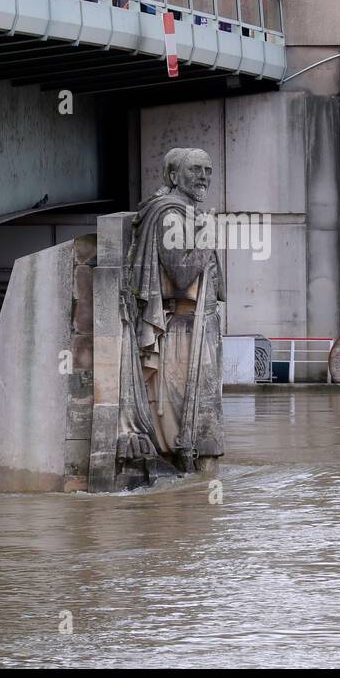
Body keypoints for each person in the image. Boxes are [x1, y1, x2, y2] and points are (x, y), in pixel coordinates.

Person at [118, 148, 225, 476]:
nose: (204, 176)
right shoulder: (171, 215)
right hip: (181, 329)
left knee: (201, 413)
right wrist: (207, 237)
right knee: (194, 416)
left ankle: (193, 485)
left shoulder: (189, 214)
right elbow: (181, 276)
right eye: (195, 170)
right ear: (174, 176)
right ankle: (194, 483)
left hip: (198, 323)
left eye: (207, 170)